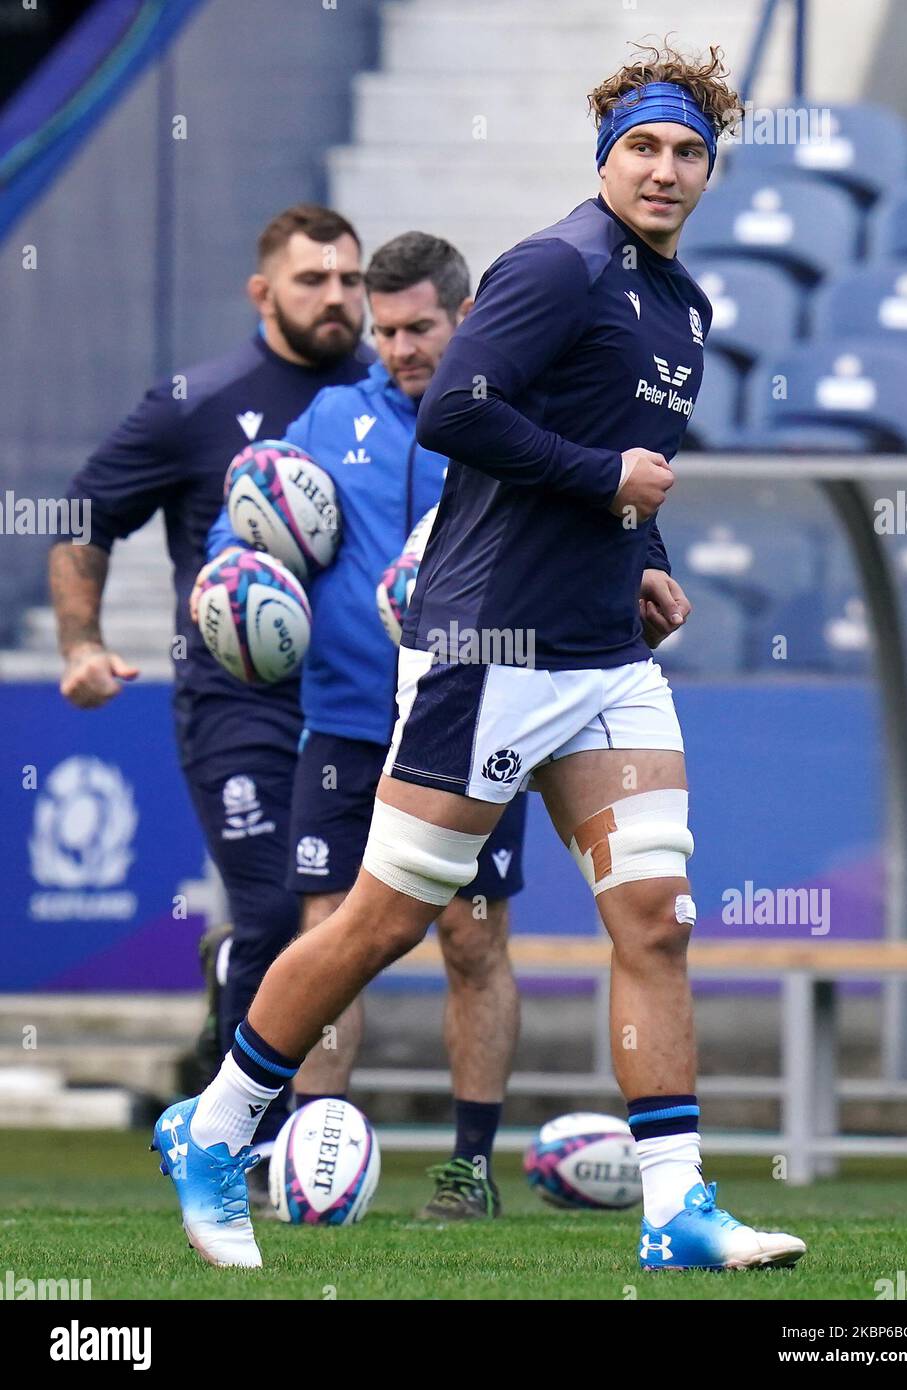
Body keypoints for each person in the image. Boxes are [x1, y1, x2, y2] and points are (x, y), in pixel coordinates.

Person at [153, 41, 806, 1273]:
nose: (664, 170)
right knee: (384, 920)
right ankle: (219, 1127)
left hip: (606, 656)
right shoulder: (556, 266)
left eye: (686, 152)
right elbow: (456, 409)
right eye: (642, 148)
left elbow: (620, 456)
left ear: (711, 169)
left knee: (657, 921)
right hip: (489, 646)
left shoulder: (683, 305)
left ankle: (677, 1210)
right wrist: (608, 480)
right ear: (605, 158)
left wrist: (645, 542)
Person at [199, 232, 527, 1219]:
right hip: (344, 725)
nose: (400, 349)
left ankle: (468, 1173)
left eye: (419, 328)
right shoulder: (333, 415)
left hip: (473, 717)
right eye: (385, 331)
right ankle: (309, 1163)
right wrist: (232, 581)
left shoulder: (511, 420)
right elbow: (243, 526)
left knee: (472, 942)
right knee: (331, 936)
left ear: (464, 318)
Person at [51, 204, 374, 1159]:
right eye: (312, 280)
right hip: (235, 701)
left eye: (349, 280)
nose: (335, 298)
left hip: (354, 703)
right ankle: (246, 1148)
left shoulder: (382, 398)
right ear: (261, 290)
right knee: (276, 911)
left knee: (333, 923)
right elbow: (86, 510)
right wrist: (80, 641)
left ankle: (248, 1025)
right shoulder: (198, 399)